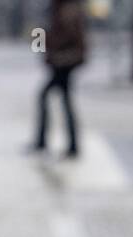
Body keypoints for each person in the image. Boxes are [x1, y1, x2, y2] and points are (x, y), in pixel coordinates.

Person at [33, 0, 86, 159]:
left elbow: (72, 38)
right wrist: (41, 47)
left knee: (48, 97)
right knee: (62, 101)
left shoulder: (68, 10)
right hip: (60, 62)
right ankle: (69, 145)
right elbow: (42, 34)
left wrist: (45, 48)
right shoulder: (56, 9)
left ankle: (46, 142)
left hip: (64, 63)